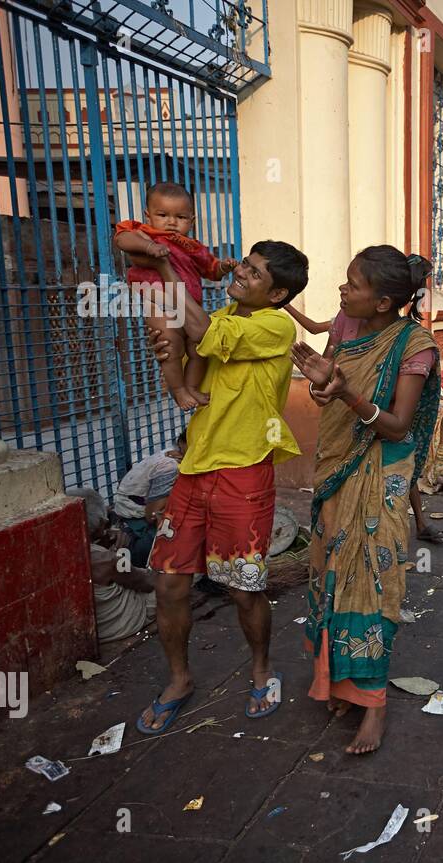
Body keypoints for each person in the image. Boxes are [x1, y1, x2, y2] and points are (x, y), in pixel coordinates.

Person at [138, 239, 308, 734]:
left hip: (244, 471)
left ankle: (260, 669)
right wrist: (167, 352)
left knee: (242, 588)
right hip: (195, 467)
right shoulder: (229, 311)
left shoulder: (275, 326)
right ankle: (179, 679)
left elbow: (204, 331)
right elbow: (190, 347)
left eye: (255, 274)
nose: (242, 273)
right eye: (247, 265)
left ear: (277, 295)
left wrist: (168, 259)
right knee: (169, 583)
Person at [290, 246, 441, 756]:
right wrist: (321, 386)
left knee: (373, 581)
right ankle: (341, 684)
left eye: (353, 284)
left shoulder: (414, 344)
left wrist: (344, 394)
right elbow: (326, 388)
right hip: (337, 465)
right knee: (332, 569)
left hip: (380, 474)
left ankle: (373, 703)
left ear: (382, 303)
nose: (343, 290)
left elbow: (397, 423)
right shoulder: (343, 326)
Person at [114, 182, 237, 410]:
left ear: (192, 220)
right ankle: (179, 391)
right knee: (169, 347)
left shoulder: (193, 247)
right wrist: (149, 247)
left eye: (180, 217)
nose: (171, 222)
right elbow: (121, 239)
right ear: (148, 215)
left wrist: (223, 266)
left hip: (189, 308)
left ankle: (191, 387)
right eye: (163, 215)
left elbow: (211, 269)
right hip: (159, 304)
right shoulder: (145, 233)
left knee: (200, 348)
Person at [68, 488, 158, 644]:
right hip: (122, 624)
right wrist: (120, 551)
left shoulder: (65, 549)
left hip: (93, 629)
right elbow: (147, 583)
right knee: (171, 582)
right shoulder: (109, 560)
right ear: (102, 523)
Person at [112, 429, 186, 569]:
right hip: (137, 519)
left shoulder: (179, 455)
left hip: (133, 511)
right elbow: (152, 515)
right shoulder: (171, 466)